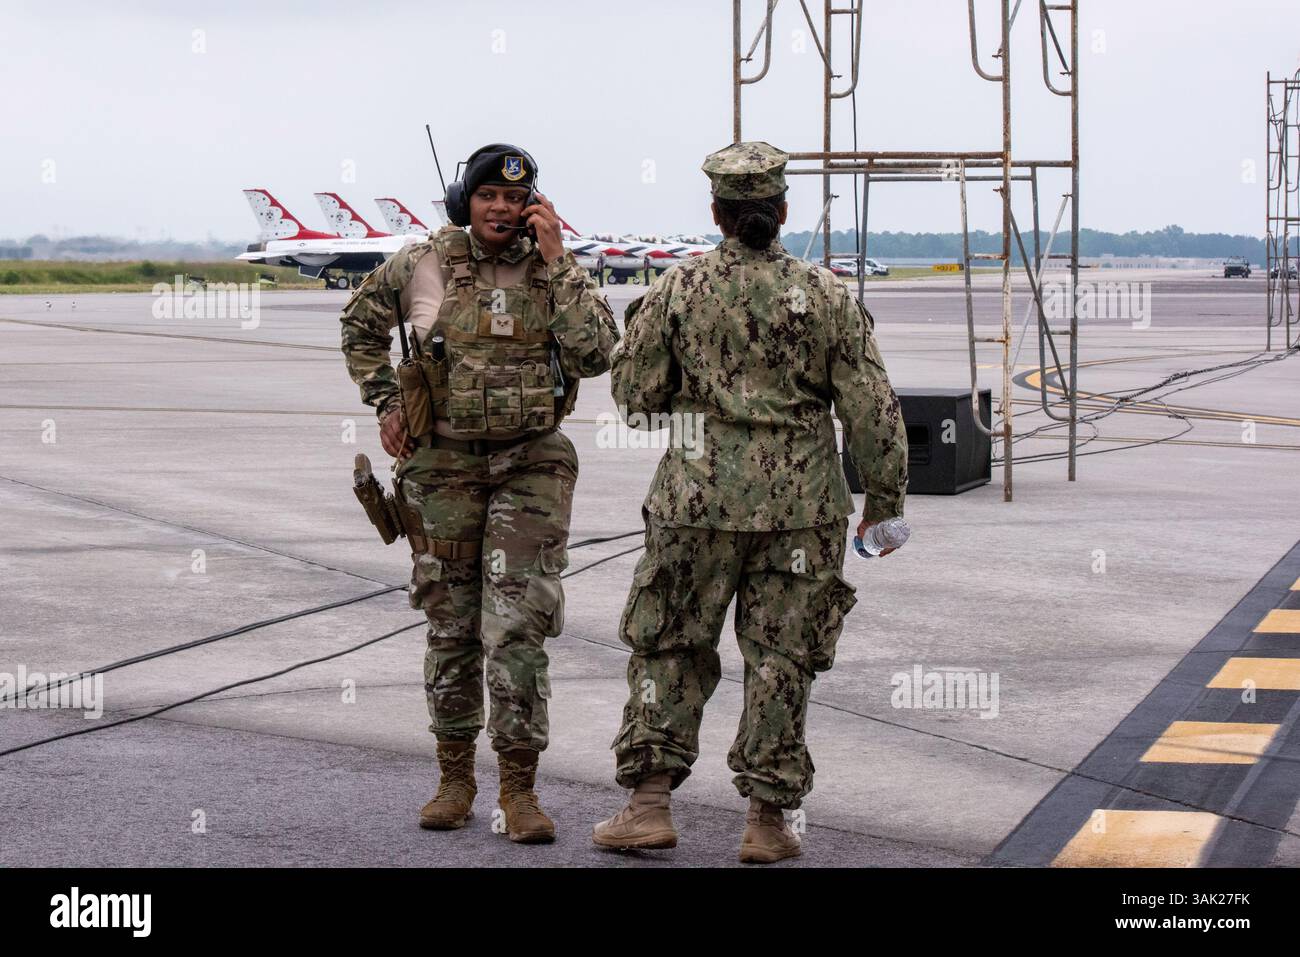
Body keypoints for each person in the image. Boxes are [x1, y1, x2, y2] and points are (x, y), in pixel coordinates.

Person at [592, 141, 908, 863]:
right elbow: (874, 412)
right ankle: (767, 820)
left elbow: (636, 402)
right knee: (781, 659)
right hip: (802, 512)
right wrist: (883, 504)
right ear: (783, 211)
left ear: (717, 214)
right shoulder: (826, 295)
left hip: (694, 505)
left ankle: (648, 805)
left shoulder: (676, 291)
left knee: (668, 645)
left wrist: (694, 397)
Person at [340, 144, 619, 843]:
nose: (500, 207)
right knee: (451, 622)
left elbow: (596, 353)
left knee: (518, 626)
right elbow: (360, 325)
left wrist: (560, 260)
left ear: (532, 205)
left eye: (513, 197)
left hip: (531, 465)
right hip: (443, 466)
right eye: (487, 194)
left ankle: (519, 790)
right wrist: (384, 403)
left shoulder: (552, 269)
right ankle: (455, 777)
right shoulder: (423, 263)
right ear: (466, 200)